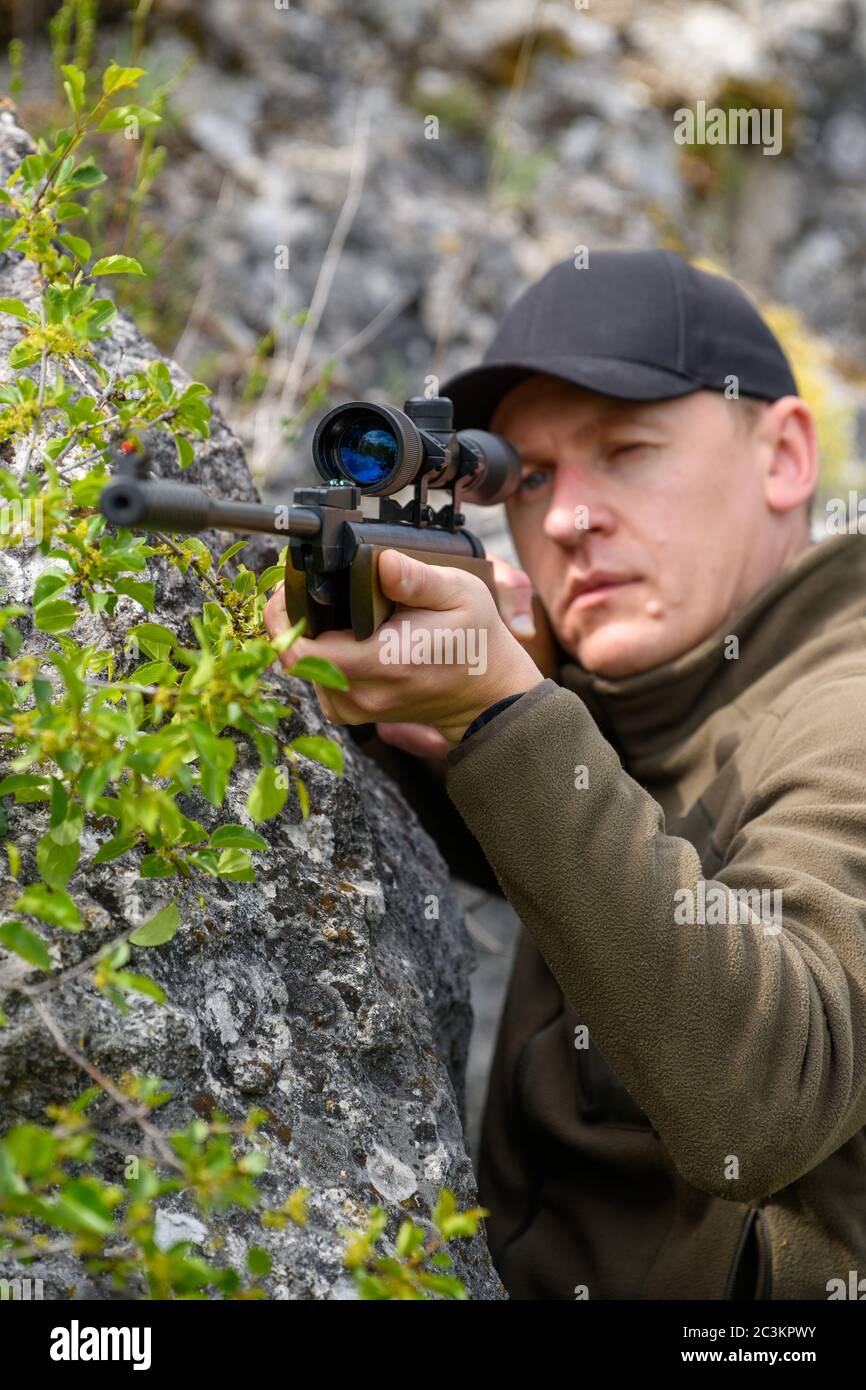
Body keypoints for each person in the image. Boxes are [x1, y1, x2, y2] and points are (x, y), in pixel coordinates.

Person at [264, 249, 866, 1300]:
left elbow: (765, 1093)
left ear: (781, 456)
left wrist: (501, 713)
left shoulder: (843, 693)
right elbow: (625, 848)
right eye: (528, 475)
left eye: (625, 450)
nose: (563, 518)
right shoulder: (651, 688)